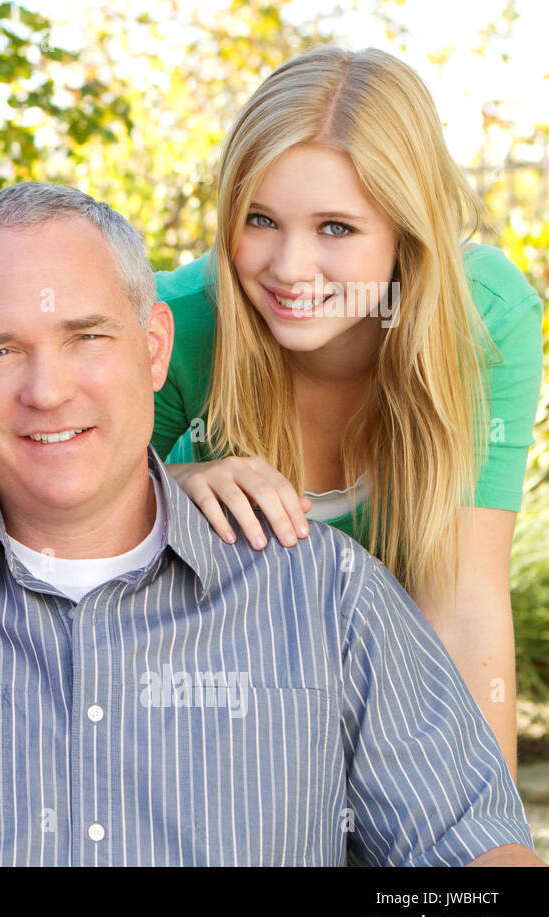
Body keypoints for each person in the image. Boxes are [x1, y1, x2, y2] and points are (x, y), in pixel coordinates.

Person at [0, 182, 540, 866]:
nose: (49, 390)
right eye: (1, 350)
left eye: (87, 337)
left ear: (154, 349)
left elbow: (472, 857)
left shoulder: (328, 596)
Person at [152, 48, 544, 772]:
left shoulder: (483, 319)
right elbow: (46, 524)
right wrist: (159, 493)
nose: (289, 267)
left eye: (336, 227)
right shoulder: (178, 323)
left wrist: (491, 836)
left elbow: (463, 609)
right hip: (193, 708)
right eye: (260, 219)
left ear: (406, 228)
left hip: (375, 710)